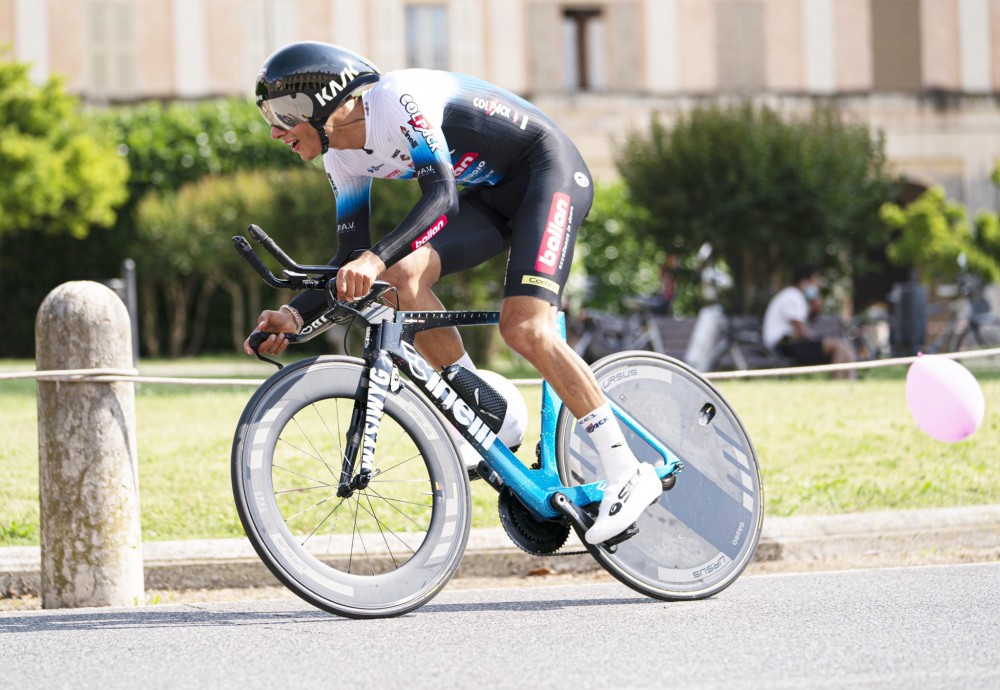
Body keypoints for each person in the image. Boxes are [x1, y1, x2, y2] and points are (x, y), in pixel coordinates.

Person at [243, 42, 661, 545]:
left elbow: (439, 198)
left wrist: (371, 259)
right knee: (395, 278)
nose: (274, 130)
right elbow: (348, 262)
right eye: (268, 115)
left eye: (284, 114)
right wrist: (294, 317)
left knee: (524, 327)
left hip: (547, 172)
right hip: (491, 193)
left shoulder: (396, 97)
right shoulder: (342, 159)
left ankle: (629, 471)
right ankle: (484, 406)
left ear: (329, 99)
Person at [762, 264, 855, 378]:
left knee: (843, 348)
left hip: (789, 344)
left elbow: (807, 320)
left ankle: (846, 384)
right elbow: (800, 329)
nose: (817, 285)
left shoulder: (797, 297)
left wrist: (815, 305)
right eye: (815, 281)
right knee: (837, 347)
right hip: (782, 345)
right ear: (803, 282)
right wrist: (818, 341)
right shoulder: (792, 295)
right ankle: (838, 384)